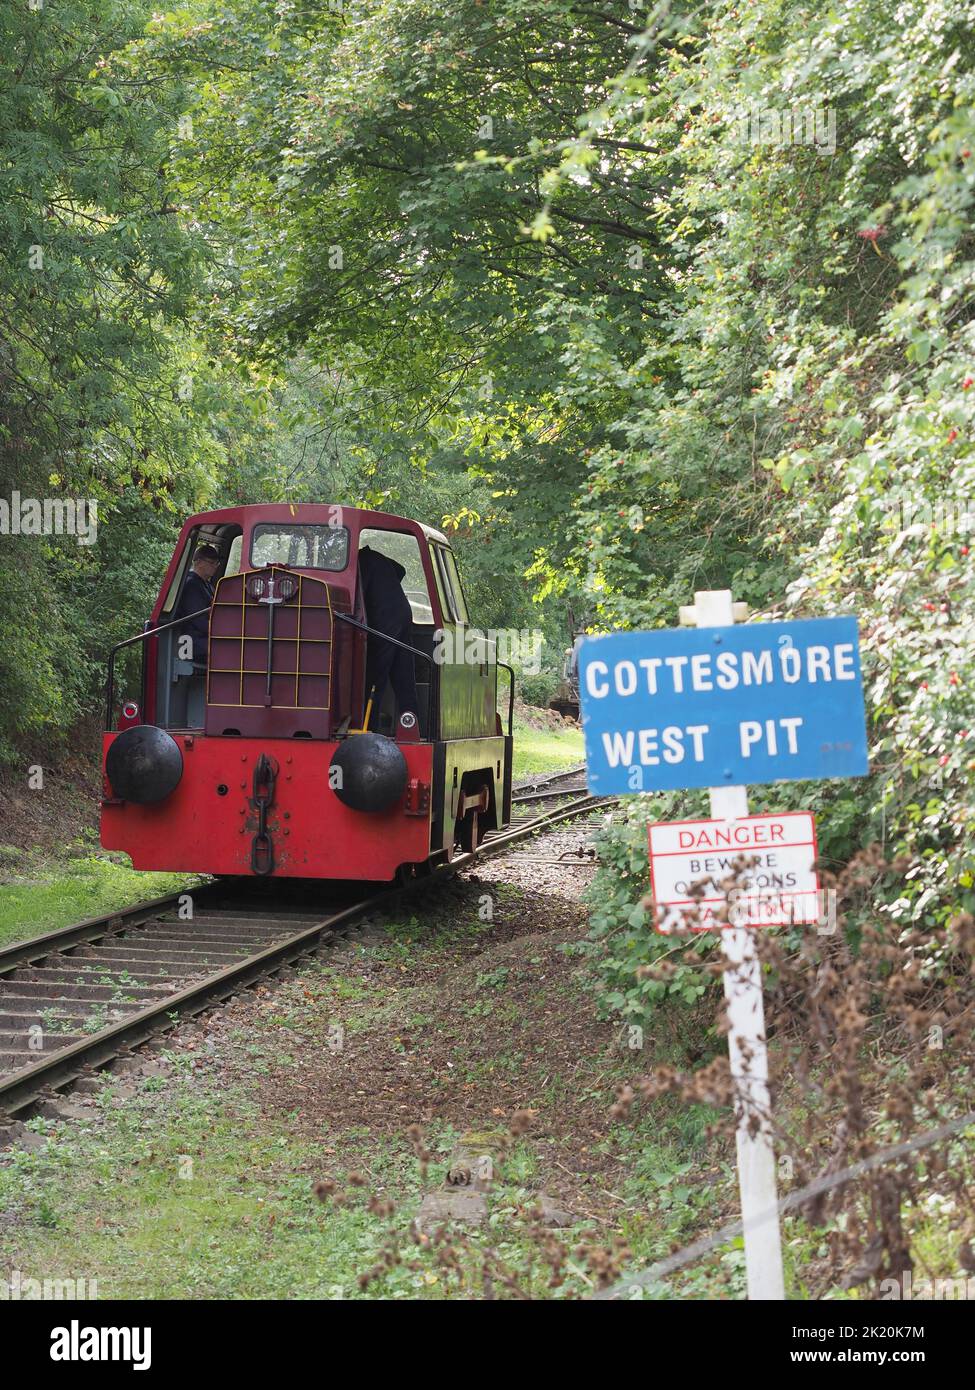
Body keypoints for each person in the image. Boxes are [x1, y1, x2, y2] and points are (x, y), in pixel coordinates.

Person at [357, 545, 419, 728]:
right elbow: (401, 570)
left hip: (385, 618)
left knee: (375, 675)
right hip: (402, 612)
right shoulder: (376, 557)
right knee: (403, 673)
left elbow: (357, 596)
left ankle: (369, 727)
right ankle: (412, 725)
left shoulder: (360, 562)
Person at [174, 542, 220, 665]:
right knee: (229, 650)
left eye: (217, 563)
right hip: (191, 641)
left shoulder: (207, 585)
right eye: (211, 563)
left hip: (203, 638)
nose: (215, 567)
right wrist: (223, 632)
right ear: (198, 562)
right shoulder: (191, 586)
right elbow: (200, 622)